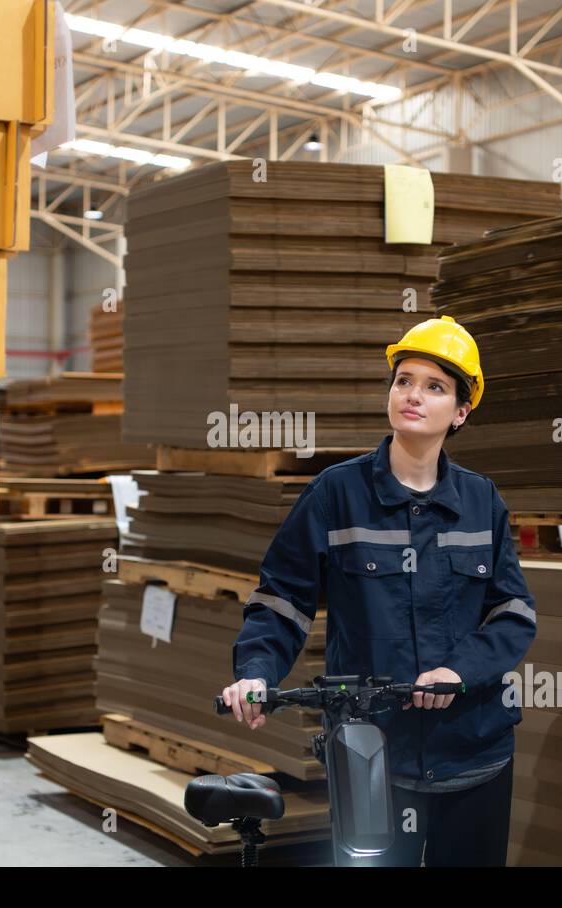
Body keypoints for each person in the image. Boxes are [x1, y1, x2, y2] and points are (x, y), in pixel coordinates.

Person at [220, 314, 537, 867]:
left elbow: (513, 612)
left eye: (434, 387)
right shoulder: (335, 494)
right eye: (404, 380)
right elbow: (281, 598)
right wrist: (256, 671)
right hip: (373, 755)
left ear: (461, 412)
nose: (413, 395)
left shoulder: (482, 501)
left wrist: (460, 670)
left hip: (474, 752)